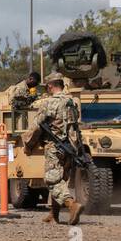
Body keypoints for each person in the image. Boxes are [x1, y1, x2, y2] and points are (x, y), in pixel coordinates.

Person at [34, 72, 83, 224]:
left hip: (54, 146)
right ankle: (53, 215)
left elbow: (36, 126)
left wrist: (29, 145)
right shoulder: (72, 102)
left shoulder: (49, 103)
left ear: (50, 86)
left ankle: (71, 204)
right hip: (71, 146)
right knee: (61, 179)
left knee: (52, 179)